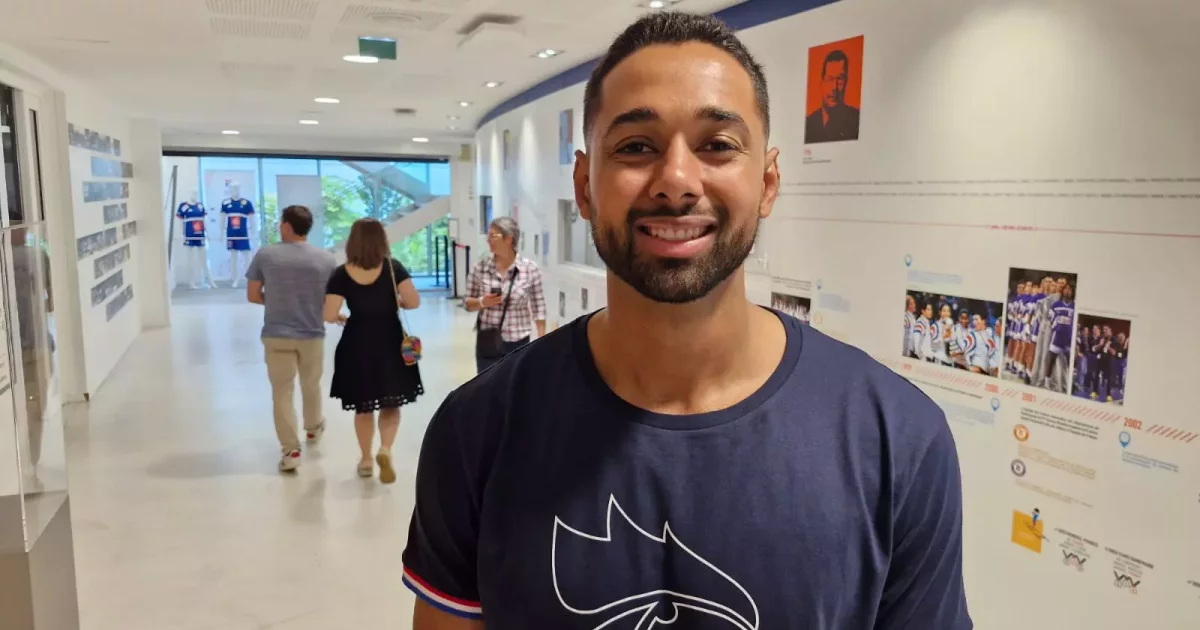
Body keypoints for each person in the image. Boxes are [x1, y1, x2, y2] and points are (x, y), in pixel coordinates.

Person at [402, 11, 971, 629]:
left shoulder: (895, 438)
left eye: (718, 145)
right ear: (586, 185)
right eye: (636, 147)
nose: (676, 181)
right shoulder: (479, 429)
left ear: (768, 181)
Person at [324, 218, 423, 483]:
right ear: (382, 240)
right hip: (390, 342)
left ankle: (366, 460)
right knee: (391, 403)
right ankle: (385, 449)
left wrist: (343, 316)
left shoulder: (341, 274)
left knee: (363, 407)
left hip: (356, 344)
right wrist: (395, 301)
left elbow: (329, 313)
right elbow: (413, 301)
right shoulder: (393, 268)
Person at [245, 205, 336, 472]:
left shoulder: (266, 255)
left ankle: (290, 450)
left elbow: (252, 295)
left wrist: (276, 304)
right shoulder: (326, 259)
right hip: (312, 333)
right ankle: (313, 428)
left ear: (286, 226)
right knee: (311, 384)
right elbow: (331, 300)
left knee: (282, 392)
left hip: (276, 334)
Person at [463, 216, 547, 373]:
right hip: (488, 340)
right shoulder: (479, 267)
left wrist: (542, 340)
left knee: (517, 389)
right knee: (487, 388)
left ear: (509, 239)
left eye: (493, 236)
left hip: (519, 340)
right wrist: (482, 302)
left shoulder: (530, 269)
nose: (488, 240)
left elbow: (539, 307)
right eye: (488, 236)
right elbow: (467, 303)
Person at [805, 49, 861, 144]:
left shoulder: (856, 120)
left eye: (840, 79)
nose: (834, 87)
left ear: (846, 83)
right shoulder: (808, 124)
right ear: (821, 83)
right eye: (830, 79)